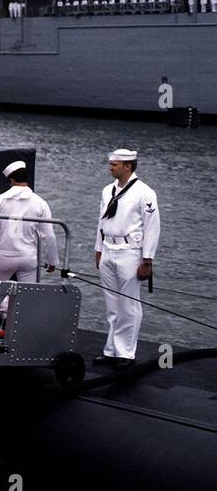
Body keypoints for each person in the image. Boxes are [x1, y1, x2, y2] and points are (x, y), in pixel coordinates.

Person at [94, 148, 161, 368]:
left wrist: (147, 259)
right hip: (108, 248)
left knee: (129, 305)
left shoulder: (144, 192)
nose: (110, 167)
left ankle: (126, 353)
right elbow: (102, 222)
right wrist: (98, 249)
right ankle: (111, 350)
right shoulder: (108, 190)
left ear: (128, 166)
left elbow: (152, 227)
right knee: (112, 305)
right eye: (110, 163)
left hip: (130, 252)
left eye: (114, 164)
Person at [0, 160, 59, 290]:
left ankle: (1, 309)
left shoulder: (0, 200)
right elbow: (49, 236)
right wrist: (52, 261)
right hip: (28, 257)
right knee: (27, 294)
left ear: (11, 180)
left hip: (4, 256)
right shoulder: (40, 203)